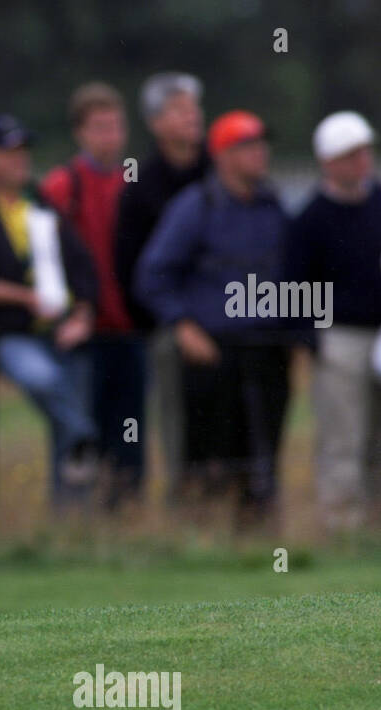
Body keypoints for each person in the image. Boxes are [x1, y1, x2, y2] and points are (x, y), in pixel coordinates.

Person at [135, 110, 295, 524]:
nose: (260, 153)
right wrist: (183, 325)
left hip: (265, 350)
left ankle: (257, 545)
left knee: (260, 458)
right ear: (222, 155)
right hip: (211, 352)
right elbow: (153, 274)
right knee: (207, 458)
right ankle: (198, 539)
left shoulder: (274, 205)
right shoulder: (195, 207)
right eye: (247, 146)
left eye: (262, 144)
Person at [0, 114, 100, 506]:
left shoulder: (42, 204)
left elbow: (81, 267)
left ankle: (71, 522)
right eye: (9, 152)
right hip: (14, 332)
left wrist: (82, 315)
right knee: (45, 381)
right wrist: (28, 299)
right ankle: (86, 431)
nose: (20, 160)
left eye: (23, 152)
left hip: (64, 331)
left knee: (68, 437)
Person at [285, 112, 381, 531]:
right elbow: (294, 285)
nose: (362, 161)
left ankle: (380, 522)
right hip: (339, 340)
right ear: (328, 161)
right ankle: (343, 526)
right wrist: (310, 340)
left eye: (365, 152)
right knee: (343, 438)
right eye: (351, 154)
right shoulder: (310, 218)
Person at [41, 82, 143, 507]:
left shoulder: (132, 182)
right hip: (81, 334)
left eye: (116, 127)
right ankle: (72, 522)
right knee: (79, 433)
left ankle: (126, 516)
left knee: (129, 432)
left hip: (129, 328)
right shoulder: (62, 186)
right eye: (100, 127)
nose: (110, 137)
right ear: (80, 133)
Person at [113, 73, 210, 502]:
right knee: (178, 424)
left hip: (230, 324)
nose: (191, 116)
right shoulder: (141, 185)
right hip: (168, 329)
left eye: (194, 107)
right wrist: (162, 322)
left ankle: (238, 509)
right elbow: (129, 266)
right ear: (155, 122)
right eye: (179, 109)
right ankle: (184, 507)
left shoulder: (221, 173)